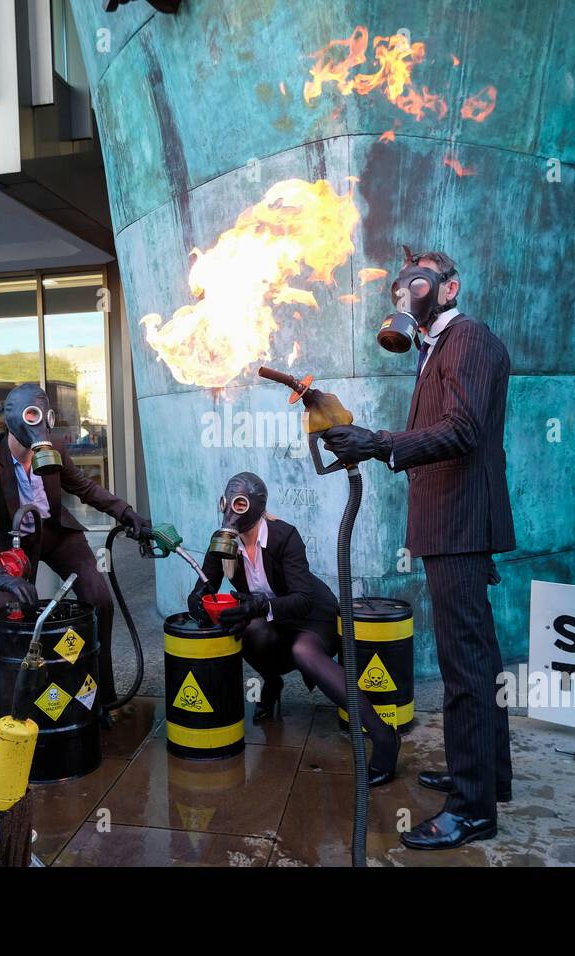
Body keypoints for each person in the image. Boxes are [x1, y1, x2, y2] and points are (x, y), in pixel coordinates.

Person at [324, 248, 516, 848]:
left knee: (465, 665)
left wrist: (380, 442)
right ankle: (484, 777)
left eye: (419, 281)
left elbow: (463, 430)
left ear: (450, 287)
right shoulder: (437, 347)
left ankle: (473, 810)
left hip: (459, 524)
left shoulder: (468, 339)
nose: (406, 291)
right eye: (401, 285)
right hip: (448, 521)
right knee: (475, 655)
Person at [0, 382, 150, 743]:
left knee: (98, 598)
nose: (40, 426)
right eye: (31, 416)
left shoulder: (54, 449)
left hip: (54, 532)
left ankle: (101, 697)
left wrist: (127, 513)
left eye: (45, 417)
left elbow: (85, 488)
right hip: (8, 544)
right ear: (13, 421)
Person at [187, 472, 399, 785]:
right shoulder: (223, 542)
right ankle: (272, 685)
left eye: (240, 503)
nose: (231, 512)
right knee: (248, 631)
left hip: (312, 616)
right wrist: (198, 600)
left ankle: (383, 735)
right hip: (274, 621)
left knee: (303, 651)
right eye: (228, 503)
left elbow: (302, 598)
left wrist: (259, 606)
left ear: (258, 506)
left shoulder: (284, 536)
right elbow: (206, 584)